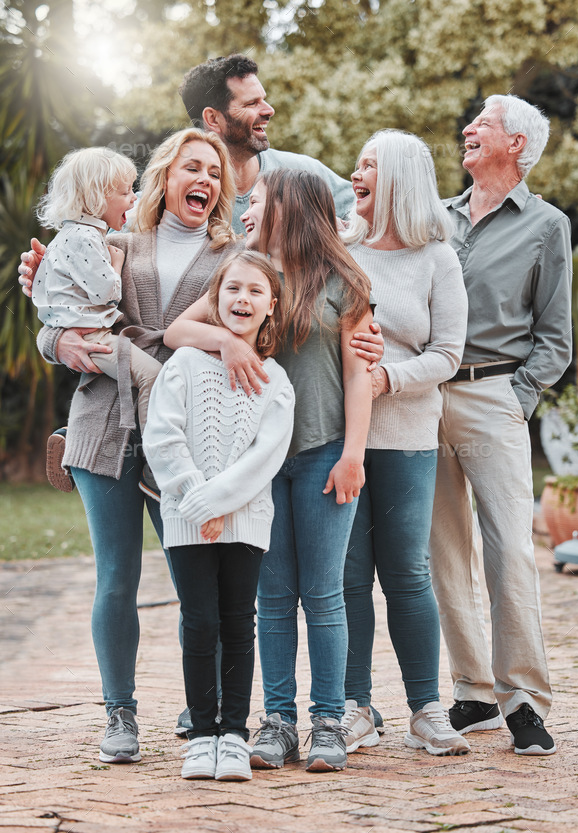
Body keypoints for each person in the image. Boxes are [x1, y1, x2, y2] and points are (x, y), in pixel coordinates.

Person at [19, 127, 242, 762]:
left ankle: (203, 703)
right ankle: (120, 713)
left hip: (187, 432)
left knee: (195, 577)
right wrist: (55, 341)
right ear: (164, 177)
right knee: (116, 578)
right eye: (192, 167)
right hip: (103, 424)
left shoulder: (234, 255)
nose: (204, 180)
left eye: (215, 173)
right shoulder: (113, 241)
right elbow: (58, 314)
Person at [164, 169, 375, 772]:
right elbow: (178, 330)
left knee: (324, 593)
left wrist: (354, 454)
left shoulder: (346, 282)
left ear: (288, 207)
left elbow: (358, 372)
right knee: (273, 597)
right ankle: (278, 721)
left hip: (323, 453)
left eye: (257, 200)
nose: (247, 209)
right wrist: (227, 342)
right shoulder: (249, 273)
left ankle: (329, 722)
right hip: (255, 463)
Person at [429, 94, 572, 756]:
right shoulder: (436, 218)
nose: (468, 129)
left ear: (516, 143)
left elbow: (555, 336)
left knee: (510, 548)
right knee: (443, 549)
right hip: (424, 396)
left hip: (494, 395)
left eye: (482, 123)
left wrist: (516, 398)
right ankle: (474, 691)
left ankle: (524, 700)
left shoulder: (546, 225)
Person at [339, 129, 470, 757]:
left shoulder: (437, 258)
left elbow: (447, 354)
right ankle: (355, 708)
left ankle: (426, 709)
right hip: (341, 437)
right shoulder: (340, 249)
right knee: (347, 577)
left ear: (397, 179)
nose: (354, 174)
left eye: (368, 165)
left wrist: (386, 377)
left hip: (408, 435)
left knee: (407, 572)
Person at [143, 250, 295, 781]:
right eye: (233, 288)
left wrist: (217, 505)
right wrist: (195, 500)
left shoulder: (276, 381)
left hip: (245, 521)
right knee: (199, 622)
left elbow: (265, 456)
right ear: (215, 299)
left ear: (271, 306)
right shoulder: (183, 365)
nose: (242, 299)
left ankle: (233, 734)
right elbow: (163, 436)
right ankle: (201, 735)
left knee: (237, 622)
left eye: (255, 291)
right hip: (186, 520)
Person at [31, 147, 161, 439]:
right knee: (153, 377)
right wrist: (116, 263)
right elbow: (106, 293)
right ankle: (156, 454)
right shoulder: (85, 238)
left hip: (87, 334)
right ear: (96, 197)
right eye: (126, 192)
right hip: (94, 338)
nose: (134, 198)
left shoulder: (69, 235)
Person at [178, 54, 354, 232]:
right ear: (213, 119)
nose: (269, 110)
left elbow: (365, 210)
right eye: (251, 103)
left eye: (263, 99)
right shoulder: (185, 198)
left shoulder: (303, 172)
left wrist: (338, 234)